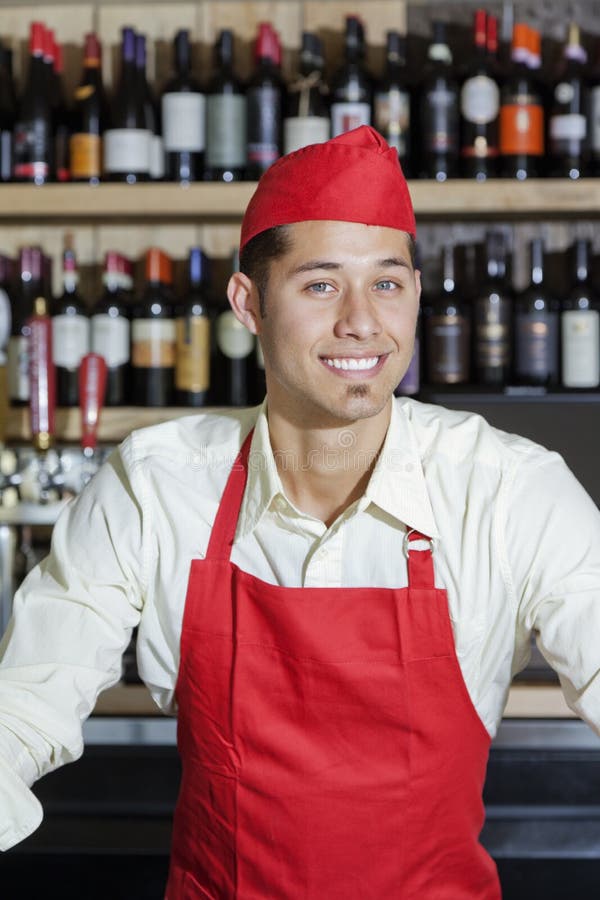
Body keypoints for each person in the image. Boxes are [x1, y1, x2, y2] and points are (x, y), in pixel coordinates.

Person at [1, 125, 600, 898]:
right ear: (249, 304)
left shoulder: (509, 489)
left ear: (416, 294)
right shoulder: (155, 486)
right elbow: (27, 698)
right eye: (321, 284)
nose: (361, 321)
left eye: (386, 282)